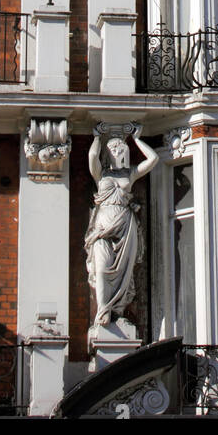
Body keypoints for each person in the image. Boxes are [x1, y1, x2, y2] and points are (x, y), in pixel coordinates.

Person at [85, 123, 159, 327]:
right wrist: (97, 138)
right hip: (103, 229)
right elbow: (92, 157)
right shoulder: (102, 174)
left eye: (121, 149)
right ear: (108, 154)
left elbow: (153, 159)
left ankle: (116, 310)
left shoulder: (130, 173)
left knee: (124, 273)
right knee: (101, 268)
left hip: (126, 227)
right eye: (114, 149)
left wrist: (136, 139)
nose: (118, 152)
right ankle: (103, 310)